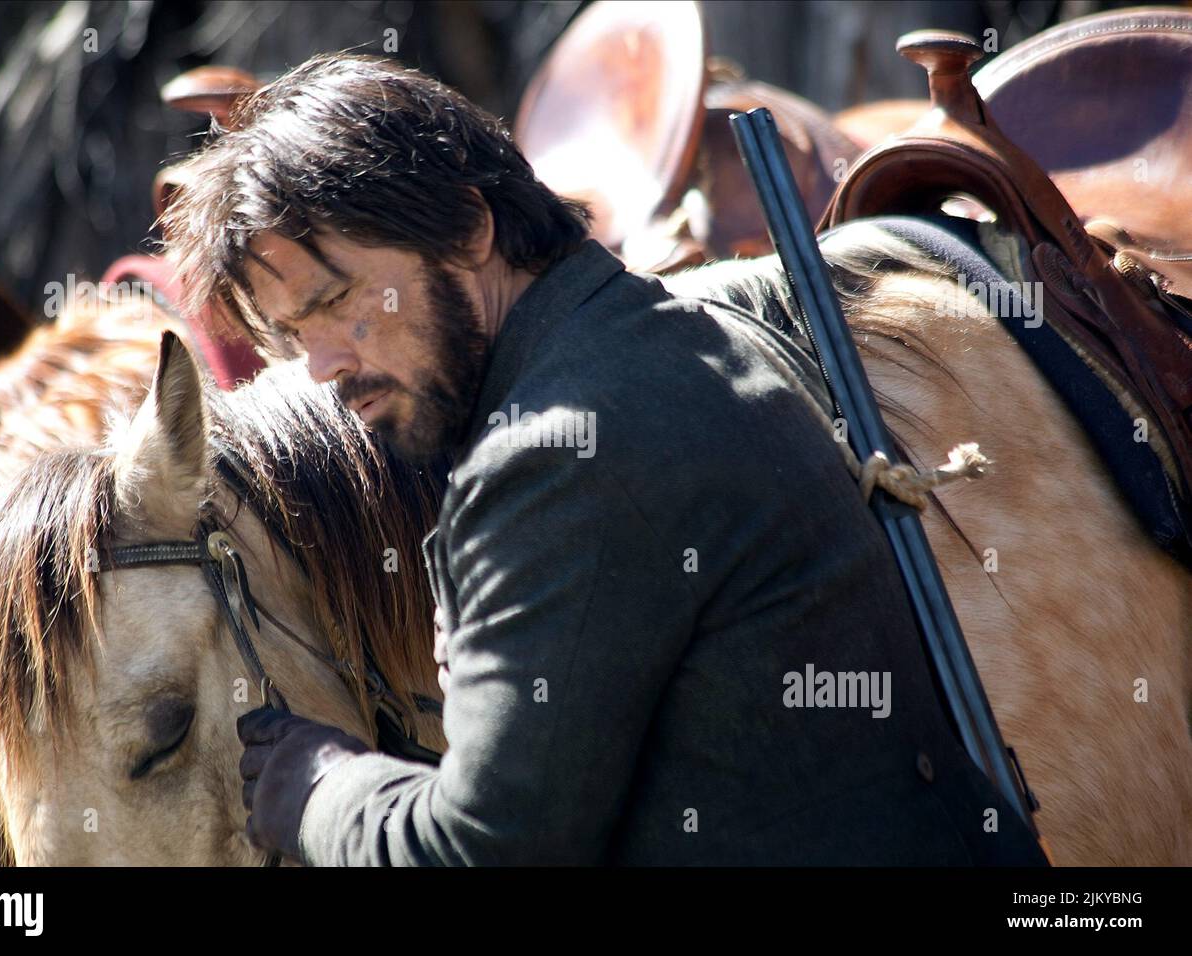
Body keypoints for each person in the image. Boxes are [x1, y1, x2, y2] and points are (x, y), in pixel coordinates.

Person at [163, 53, 1047, 866]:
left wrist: (316, 785)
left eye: (337, 299)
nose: (322, 367)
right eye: (288, 335)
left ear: (469, 230)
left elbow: (482, 852)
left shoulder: (554, 453)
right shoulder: (633, 338)